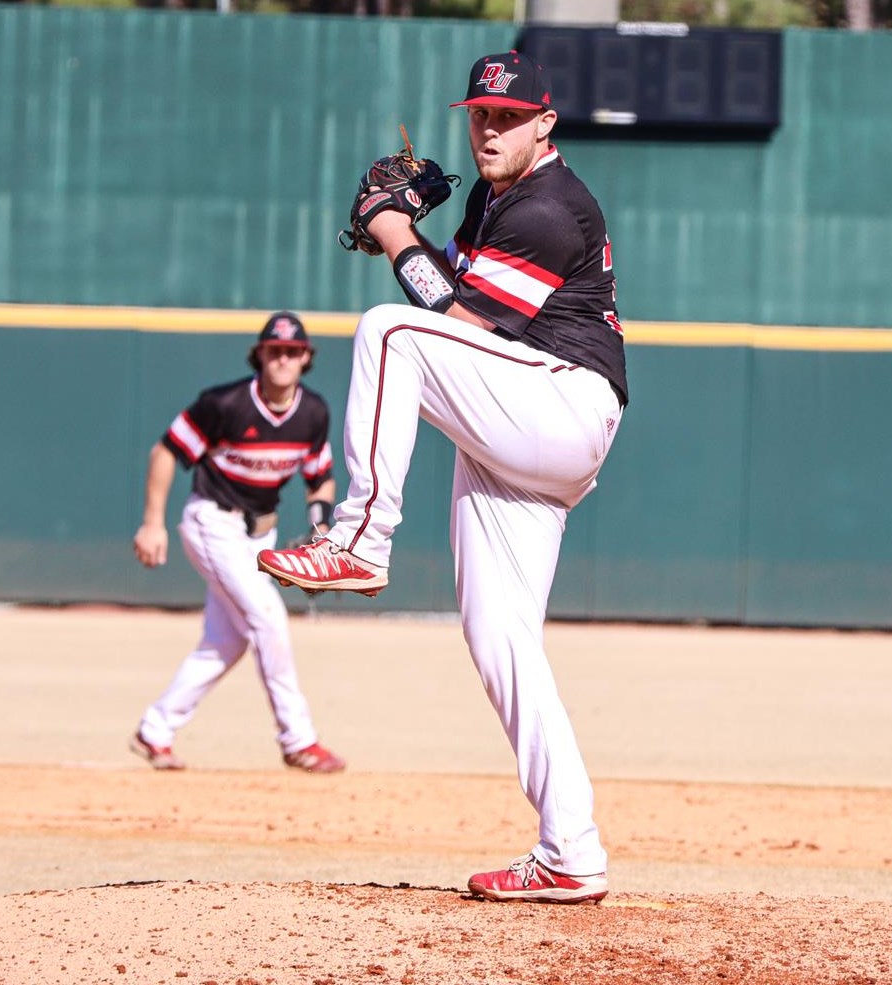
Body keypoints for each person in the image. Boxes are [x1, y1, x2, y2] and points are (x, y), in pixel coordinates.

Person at [257, 52, 627, 903]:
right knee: (501, 642)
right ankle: (570, 850)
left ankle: (360, 537)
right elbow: (450, 298)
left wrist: (391, 229)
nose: (490, 129)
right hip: (515, 425)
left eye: (509, 116)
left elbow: (442, 321)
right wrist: (407, 235)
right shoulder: (495, 197)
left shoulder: (549, 207)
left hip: (559, 406)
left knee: (387, 335)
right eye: (480, 116)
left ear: (546, 122)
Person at [129, 312, 346, 775]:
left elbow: (320, 477)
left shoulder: (312, 412)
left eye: (292, 351)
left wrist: (321, 528)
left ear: (306, 357)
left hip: (259, 533)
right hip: (212, 523)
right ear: (260, 354)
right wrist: (152, 523)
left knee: (223, 644)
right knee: (269, 619)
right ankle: (298, 740)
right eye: (275, 350)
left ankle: (156, 729)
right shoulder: (224, 404)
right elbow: (166, 451)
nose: (283, 358)